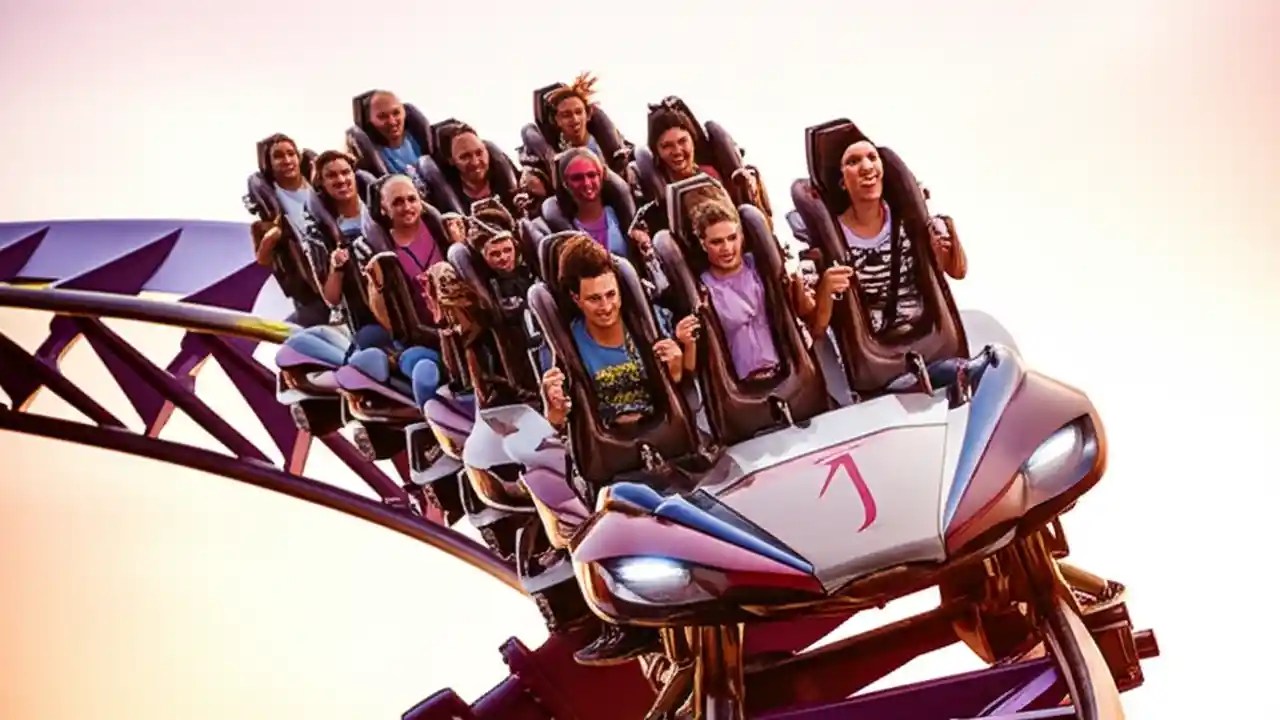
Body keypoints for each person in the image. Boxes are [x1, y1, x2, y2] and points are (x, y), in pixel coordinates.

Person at [538, 234, 692, 666]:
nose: (606, 307)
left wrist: (677, 357)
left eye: (611, 295)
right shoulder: (565, 347)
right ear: (575, 299)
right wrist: (554, 404)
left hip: (661, 446)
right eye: (593, 300)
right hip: (611, 461)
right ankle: (627, 626)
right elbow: (556, 420)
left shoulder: (647, 324)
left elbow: (682, 382)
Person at [675, 201, 850, 381]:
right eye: (716, 242)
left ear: (741, 236)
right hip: (744, 384)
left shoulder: (764, 267)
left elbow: (808, 316)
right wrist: (686, 341)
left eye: (732, 238)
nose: (727, 248)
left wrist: (798, 283)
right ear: (703, 244)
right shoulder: (701, 289)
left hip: (792, 370)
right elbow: (694, 368)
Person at [826, 139, 966, 339]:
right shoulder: (833, 238)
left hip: (925, 337)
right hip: (876, 350)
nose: (866, 167)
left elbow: (957, 271)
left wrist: (940, 249)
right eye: (853, 161)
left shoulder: (908, 220)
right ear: (842, 181)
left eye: (872, 157)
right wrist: (826, 290)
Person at [646, 106, 722, 184]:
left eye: (682, 141)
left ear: (693, 140)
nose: (677, 151)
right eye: (667, 146)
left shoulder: (710, 176)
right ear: (657, 151)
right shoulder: (653, 189)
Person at [544, 73, 606, 160]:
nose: (575, 119)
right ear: (557, 120)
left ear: (588, 115)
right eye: (566, 115)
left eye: (579, 112)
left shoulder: (604, 148)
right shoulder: (554, 153)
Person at [367, 90, 424, 175]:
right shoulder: (377, 158)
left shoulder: (419, 139)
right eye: (382, 117)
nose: (392, 122)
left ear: (404, 112)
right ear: (371, 120)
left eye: (396, 113)